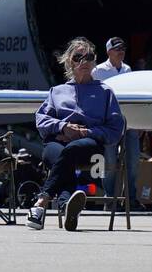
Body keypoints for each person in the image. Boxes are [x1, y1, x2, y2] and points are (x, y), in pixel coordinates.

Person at [27, 37, 126, 232]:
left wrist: (86, 132)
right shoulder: (57, 91)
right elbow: (41, 120)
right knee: (57, 155)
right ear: (69, 61)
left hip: (89, 144)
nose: (84, 61)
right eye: (78, 57)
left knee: (69, 152)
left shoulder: (105, 92)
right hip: (60, 140)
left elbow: (115, 130)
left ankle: (41, 202)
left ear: (95, 61)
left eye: (89, 56)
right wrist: (64, 127)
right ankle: (66, 206)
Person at [92, 36, 141, 206]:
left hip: (128, 120)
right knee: (109, 161)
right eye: (117, 49)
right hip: (108, 123)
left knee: (134, 160)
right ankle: (110, 198)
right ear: (108, 51)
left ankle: (131, 199)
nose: (121, 52)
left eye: (123, 48)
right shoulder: (98, 71)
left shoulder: (128, 69)